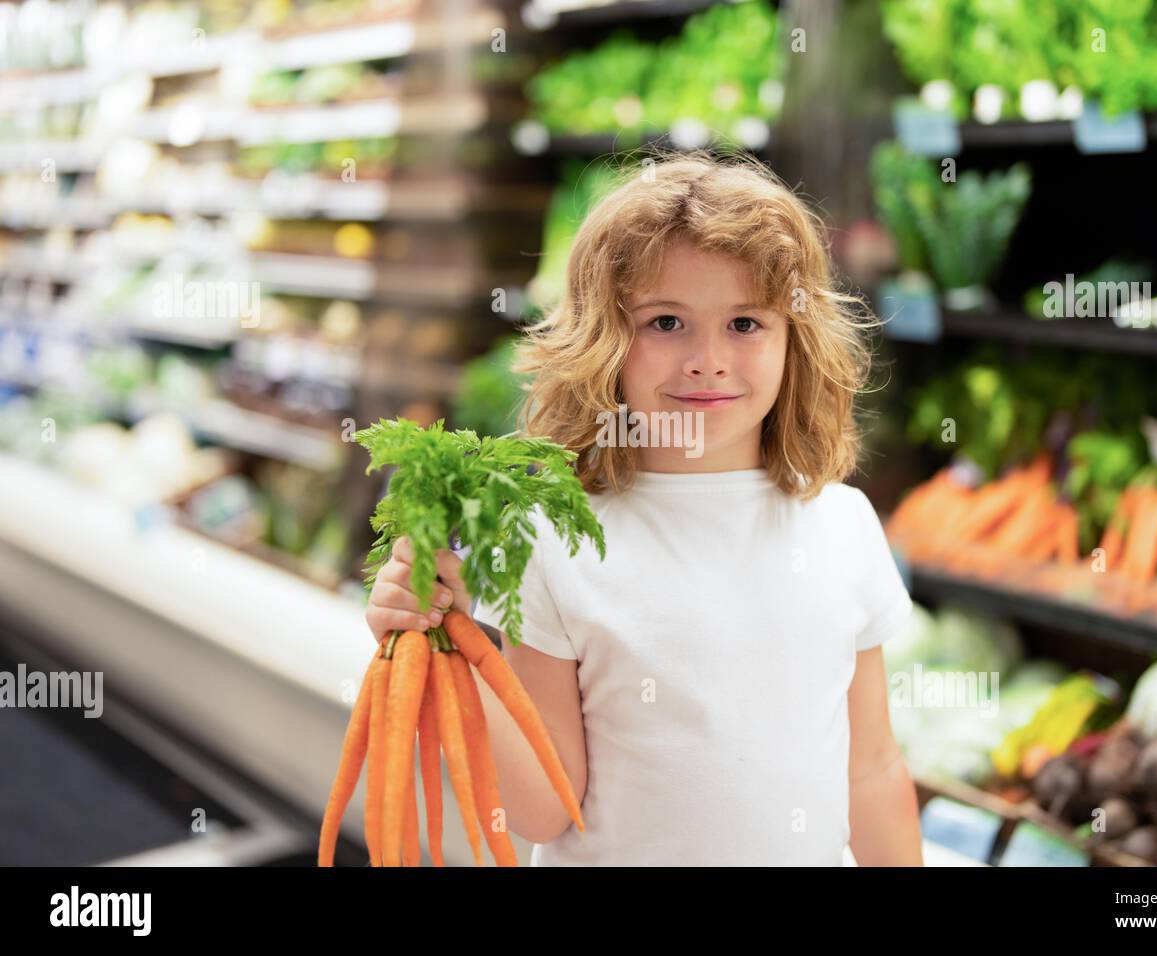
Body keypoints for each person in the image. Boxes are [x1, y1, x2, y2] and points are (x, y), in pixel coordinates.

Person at [364, 152, 922, 866]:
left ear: (797, 338)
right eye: (665, 323)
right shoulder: (551, 535)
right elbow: (542, 804)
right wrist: (448, 642)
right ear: (603, 341)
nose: (708, 359)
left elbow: (870, 772)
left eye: (746, 324)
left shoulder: (843, 525)